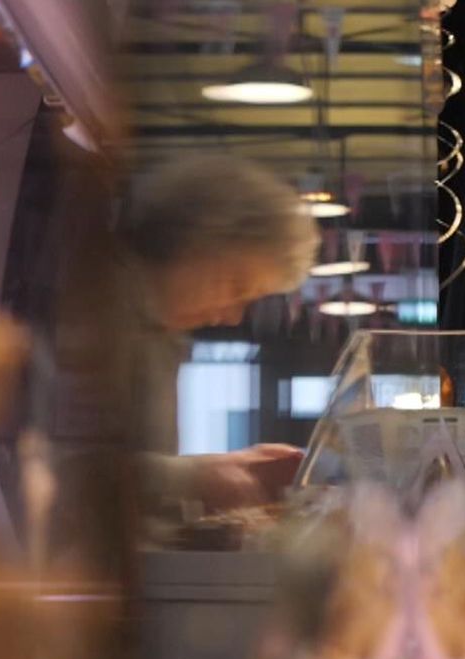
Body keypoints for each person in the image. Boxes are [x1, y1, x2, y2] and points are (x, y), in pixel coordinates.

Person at [116, 155, 320, 512]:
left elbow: (127, 469)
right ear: (191, 241)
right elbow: (57, 468)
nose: (231, 316)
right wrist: (191, 477)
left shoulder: (162, 336)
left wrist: (227, 466)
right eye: (234, 285)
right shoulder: (93, 308)